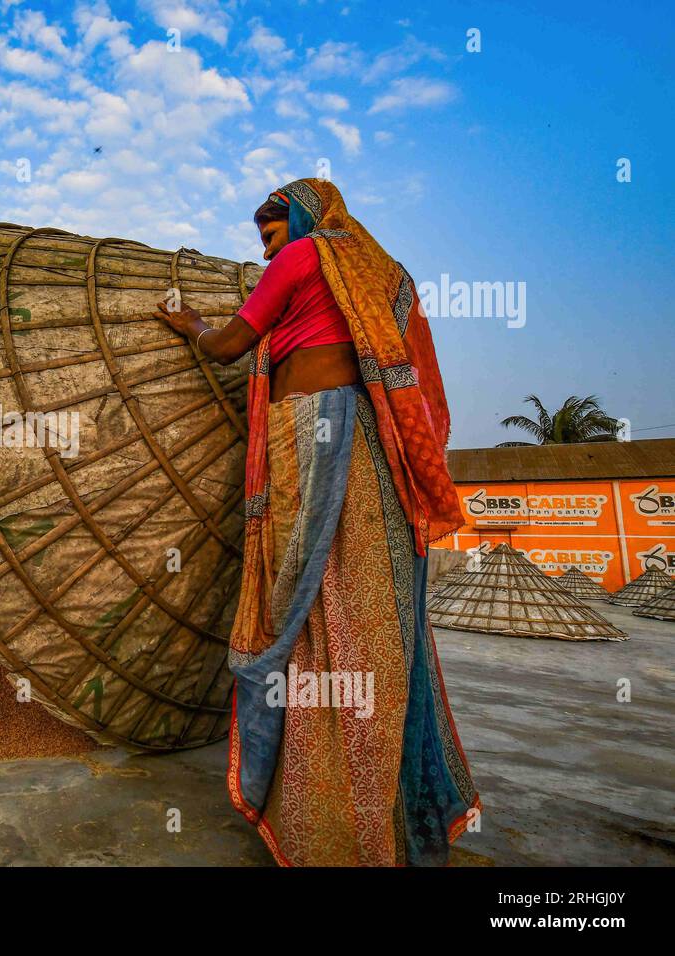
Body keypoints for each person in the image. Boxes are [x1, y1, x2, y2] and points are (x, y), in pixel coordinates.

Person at [155, 179, 479, 866]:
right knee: (373, 619)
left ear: (299, 217)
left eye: (269, 224)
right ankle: (383, 816)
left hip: (317, 439)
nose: (263, 237)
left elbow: (232, 345)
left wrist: (194, 327)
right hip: (372, 450)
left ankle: (330, 823)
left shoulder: (304, 258)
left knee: (316, 614)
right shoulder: (381, 273)